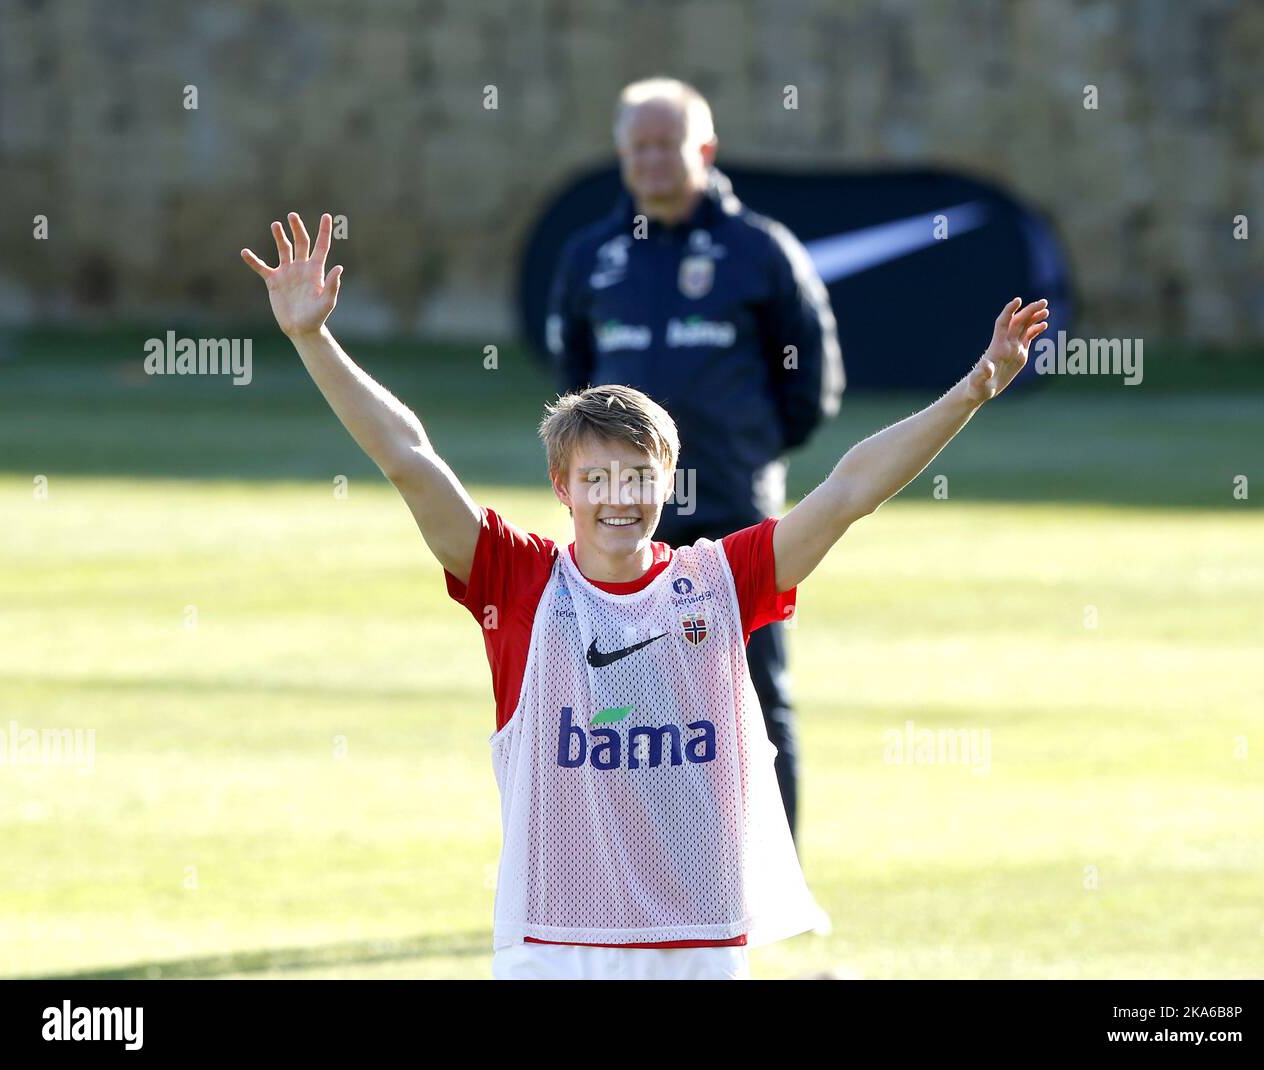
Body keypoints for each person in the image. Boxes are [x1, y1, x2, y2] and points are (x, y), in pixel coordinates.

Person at [241, 210, 1049, 980]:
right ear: (563, 486)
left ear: (668, 478)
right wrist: (313, 338)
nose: (617, 498)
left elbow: (846, 493)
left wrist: (973, 390)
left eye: (636, 477)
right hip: (552, 939)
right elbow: (410, 460)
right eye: (596, 478)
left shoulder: (720, 583)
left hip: (695, 937)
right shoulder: (519, 582)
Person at [546, 77, 846, 848]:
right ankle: (650, 874)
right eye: (636, 146)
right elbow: (573, 382)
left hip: (730, 512)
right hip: (621, 523)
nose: (650, 160)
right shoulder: (592, 256)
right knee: (625, 701)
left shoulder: (760, 250)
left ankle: (770, 871)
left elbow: (811, 382)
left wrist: (745, 454)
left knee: (752, 693)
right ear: (621, 154)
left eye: (666, 144)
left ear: (704, 150)